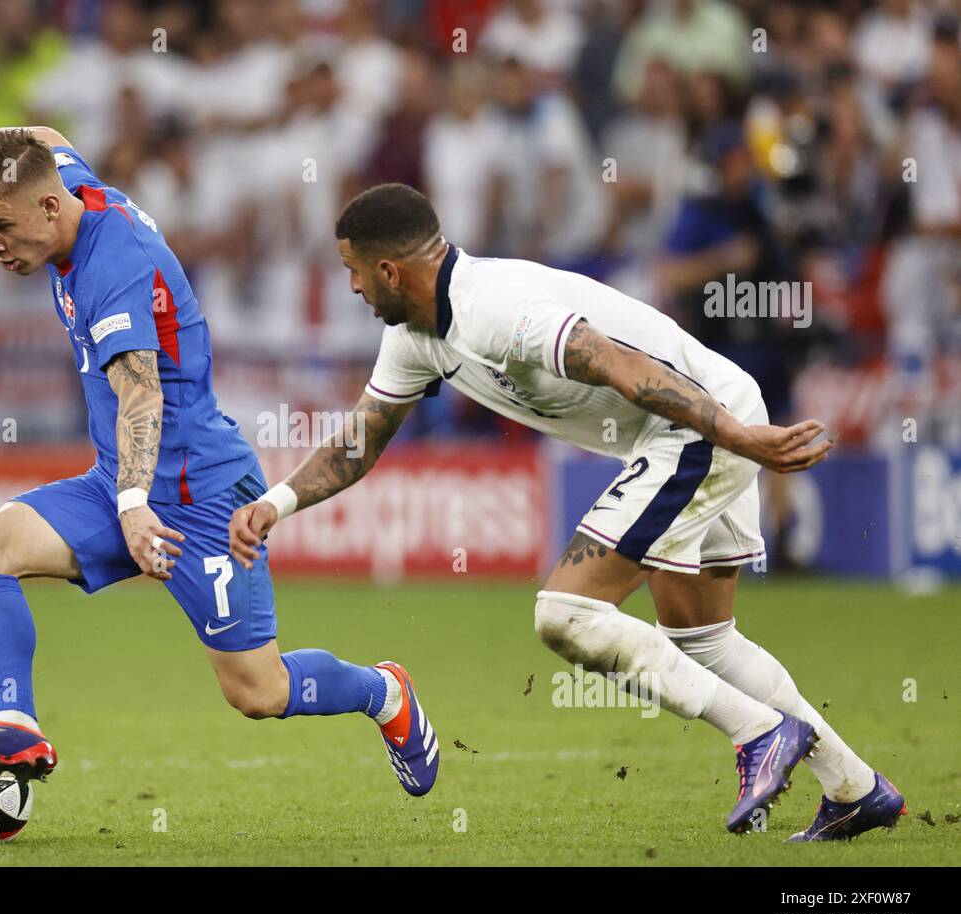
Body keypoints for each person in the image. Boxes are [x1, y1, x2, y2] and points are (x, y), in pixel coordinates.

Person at [230, 183, 905, 839]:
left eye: (353, 270)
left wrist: (735, 436)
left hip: (697, 423)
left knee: (566, 614)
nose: (352, 287)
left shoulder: (492, 308)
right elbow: (361, 441)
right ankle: (855, 788)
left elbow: (617, 363)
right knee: (704, 639)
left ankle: (760, 732)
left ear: (389, 270)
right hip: (712, 414)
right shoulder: (417, 335)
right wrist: (274, 504)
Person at [0, 129, 439, 797]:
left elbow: (141, 394)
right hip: (122, 485)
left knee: (259, 692)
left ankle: (383, 692)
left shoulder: (112, 263)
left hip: (203, 497)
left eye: (0, 226)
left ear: (48, 208)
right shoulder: (71, 190)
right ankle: (15, 725)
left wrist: (134, 505)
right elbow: (42, 137)